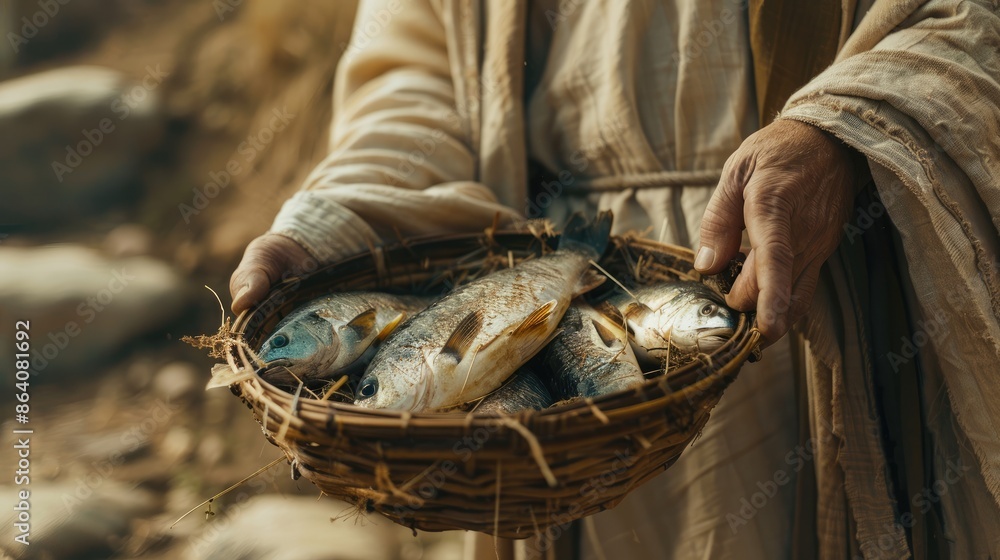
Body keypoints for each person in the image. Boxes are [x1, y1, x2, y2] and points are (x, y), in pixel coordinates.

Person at [230, 1, 1000, 558]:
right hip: (560, 300)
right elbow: (413, 73)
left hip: (799, 289)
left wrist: (842, 127)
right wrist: (333, 225)